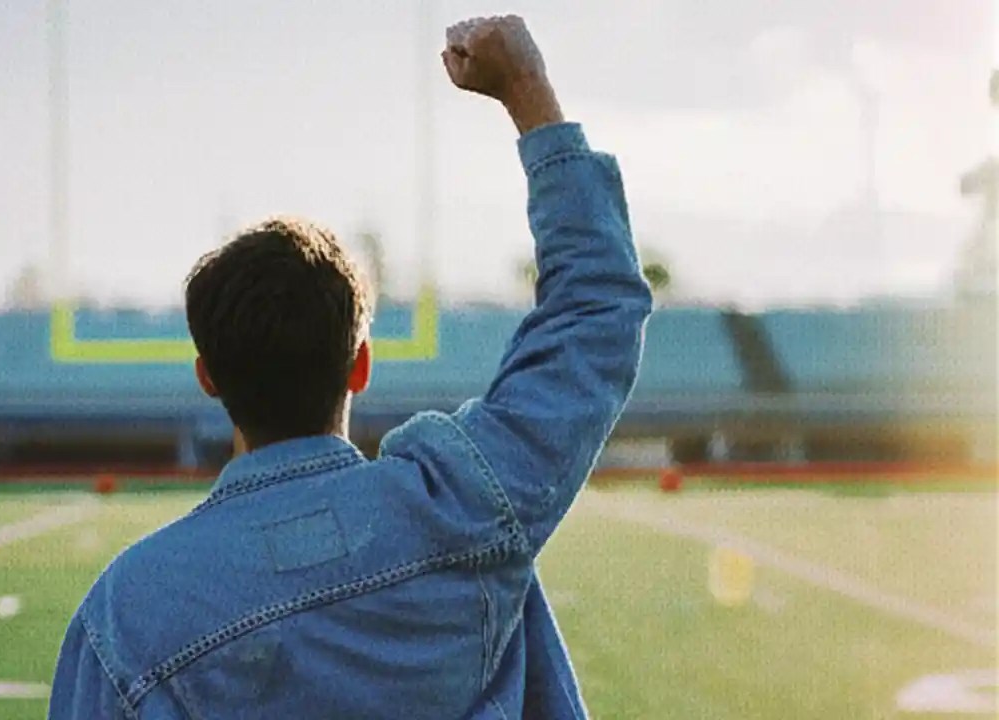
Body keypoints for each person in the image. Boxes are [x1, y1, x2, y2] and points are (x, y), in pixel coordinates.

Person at [49, 14, 652, 719]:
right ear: (359, 364)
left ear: (208, 377)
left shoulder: (125, 616)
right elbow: (595, 307)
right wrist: (526, 88)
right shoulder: (461, 506)